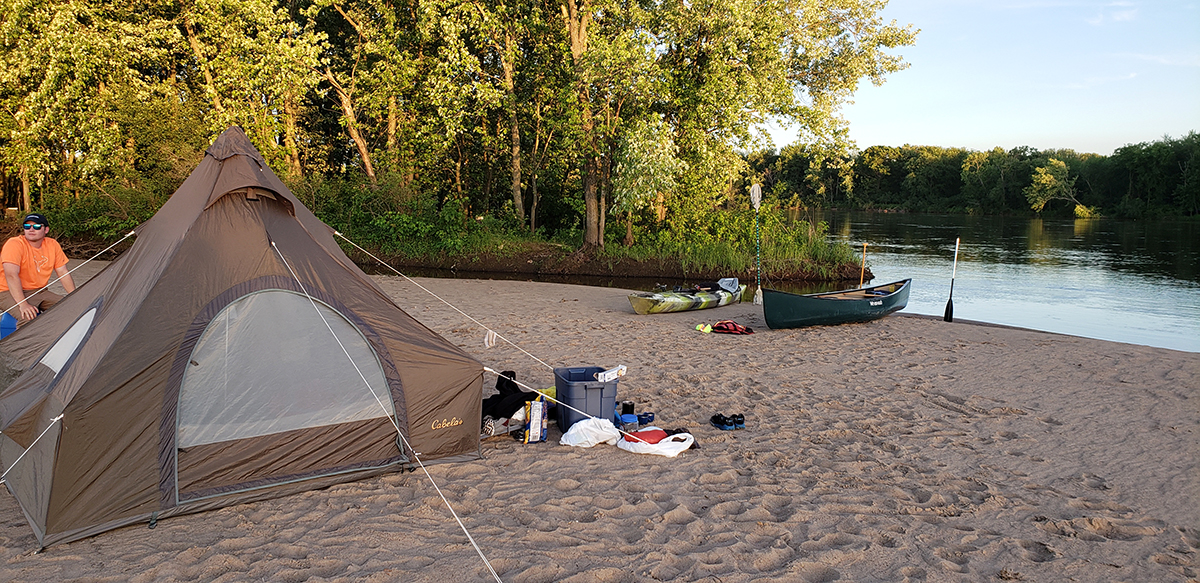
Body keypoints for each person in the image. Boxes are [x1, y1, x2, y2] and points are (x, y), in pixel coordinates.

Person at [1, 213, 75, 323]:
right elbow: (11, 275)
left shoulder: (52, 244)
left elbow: (63, 272)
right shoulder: (14, 244)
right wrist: (23, 304)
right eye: (27, 226)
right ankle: (22, 341)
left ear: (46, 230)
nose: (31, 229)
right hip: (7, 291)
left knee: (71, 309)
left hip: (38, 291)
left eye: (36, 226)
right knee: (27, 317)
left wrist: (75, 296)